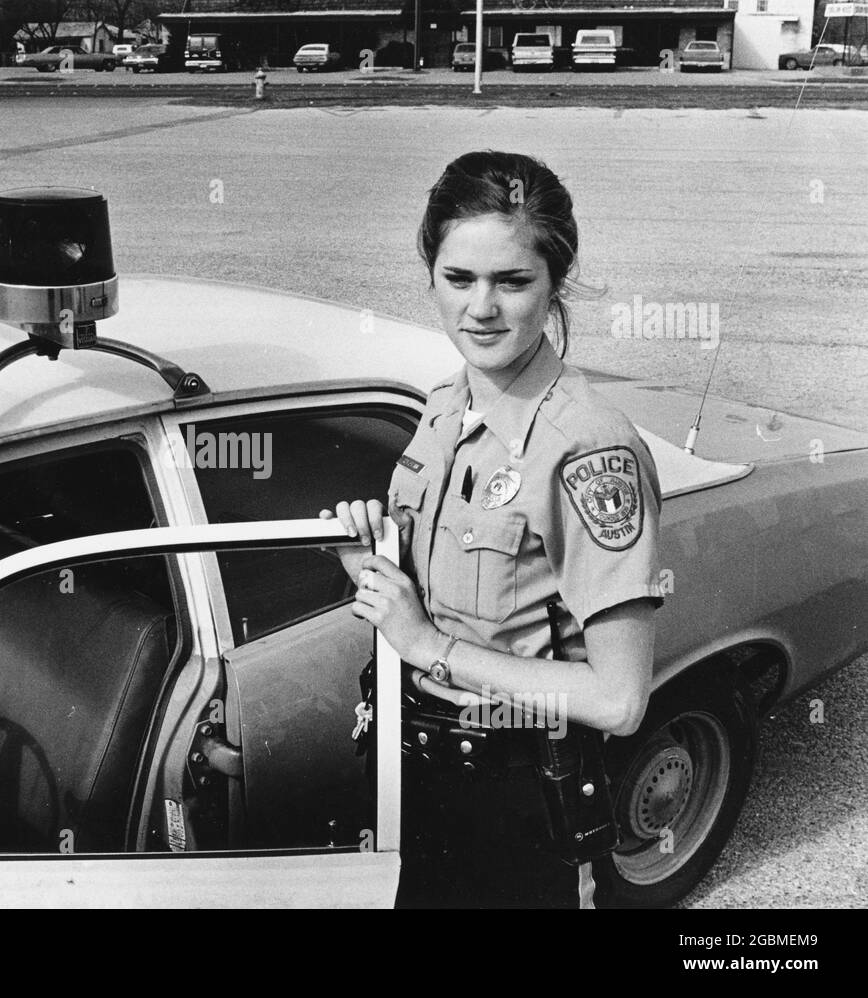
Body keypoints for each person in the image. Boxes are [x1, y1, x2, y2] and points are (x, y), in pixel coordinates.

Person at [324, 150, 663, 908]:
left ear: (554, 285)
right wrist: (379, 560)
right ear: (431, 278)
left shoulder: (588, 449)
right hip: (409, 774)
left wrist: (427, 646)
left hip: (515, 800)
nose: (482, 308)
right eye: (459, 280)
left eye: (513, 281)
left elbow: (619, 699)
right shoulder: (443, 407)